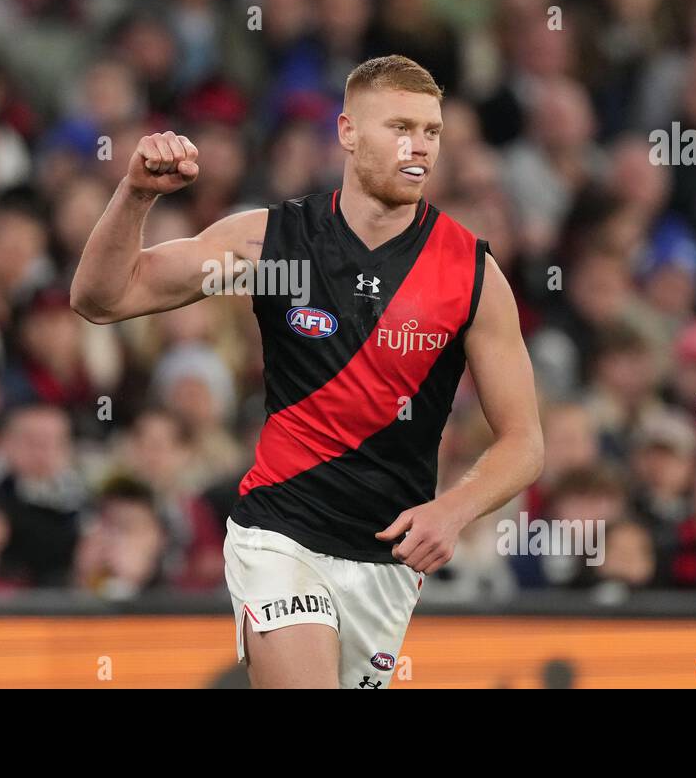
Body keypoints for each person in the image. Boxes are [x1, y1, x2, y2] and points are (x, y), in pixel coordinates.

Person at [72, 54, 543, 689]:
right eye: (400, 126)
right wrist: (134, 197)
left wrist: (453, 510)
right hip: (279, 532)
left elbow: (524, 442)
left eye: (432, 132)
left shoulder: (473, 274)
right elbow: (102, 298)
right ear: (348, 132)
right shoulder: (272, 244)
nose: (420, 147)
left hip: (386, 559)